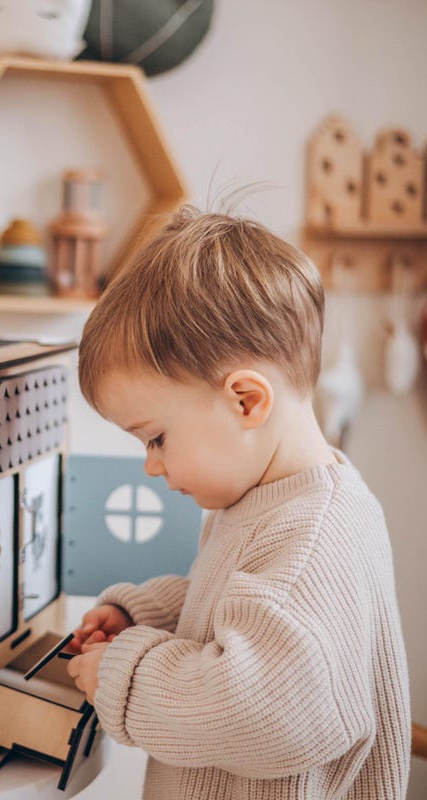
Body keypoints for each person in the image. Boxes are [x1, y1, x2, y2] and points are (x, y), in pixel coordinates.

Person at [66, 206, 410, 799]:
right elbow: (236, 598)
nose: (151, 464)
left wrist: (126, 675)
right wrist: (141, 616)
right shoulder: (266, 502)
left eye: (156, 437)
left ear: (246, 401)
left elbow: (268, 709)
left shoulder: (311, 538)